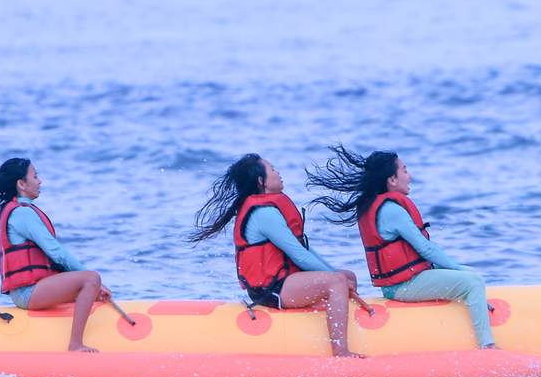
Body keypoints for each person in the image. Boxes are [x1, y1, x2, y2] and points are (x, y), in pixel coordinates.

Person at [306, 146, 497, 348]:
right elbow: (426, 249)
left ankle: (478, 312)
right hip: (403, 287)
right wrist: (458, 269)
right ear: (392, 180)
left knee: (470, 275)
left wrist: (459, 270)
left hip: (402, 282)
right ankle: (487, 346)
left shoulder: (378, 206)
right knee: (472, 282)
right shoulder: (391, 211)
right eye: (405, 171)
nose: (410, 176)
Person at [189, 153, 370, 358]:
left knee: (346, 276)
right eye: (273, 169)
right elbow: (299, 256)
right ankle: (340, 351)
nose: (278, 173)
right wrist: (337, 279)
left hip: (285, 280)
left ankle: (333, 323)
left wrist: (337, 274)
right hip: (270, 289)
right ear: (262, 181)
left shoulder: (269, 208)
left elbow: (304, 250)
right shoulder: (263, 214)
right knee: (337, 281)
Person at [0, 158, 112, 353]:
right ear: (22, 184)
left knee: (90, 291)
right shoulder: (22, 214)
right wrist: (96, 283)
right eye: (35, 176)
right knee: (91, 279)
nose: (40, 181)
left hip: (33, 288)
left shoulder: (21, 211)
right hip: (27, 292)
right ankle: (75, 344)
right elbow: (56, 252)